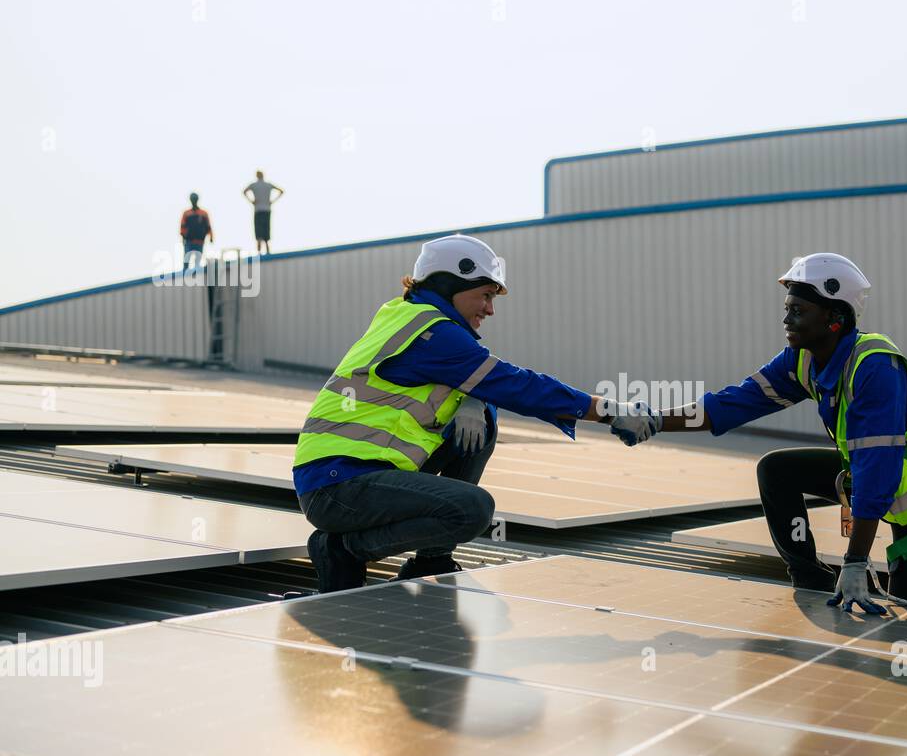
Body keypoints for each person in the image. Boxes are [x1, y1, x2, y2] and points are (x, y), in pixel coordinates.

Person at [619, 252, 907, 625]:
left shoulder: (874, 366)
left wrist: (856, 561)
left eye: (799, 311)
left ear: (835, 317)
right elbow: (731, 404)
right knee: (776, 470)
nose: (788, 319)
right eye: (787, 310)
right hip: (877, 479)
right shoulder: (802, 359)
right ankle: (809, 577)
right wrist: (658, 420)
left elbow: (878, 469)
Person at [292, 234, 654, 594]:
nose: (489, 309)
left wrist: (475, 399)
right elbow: (519, 385)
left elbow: (489, 385)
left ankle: (432, 560)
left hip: (359, 475)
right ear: (452, 284)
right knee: (472, 510)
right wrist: (609, 411)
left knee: (481, 422)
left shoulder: (410, 317)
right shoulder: (432, 334)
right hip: (338, 485)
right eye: (485, 295)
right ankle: (341, 550)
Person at [242, 170, 283, 254]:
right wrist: (272, 201)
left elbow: (244, 191)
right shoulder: (268, 185)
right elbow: (281, 191)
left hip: (258, 210)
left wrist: (251, 201)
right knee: (266, 231)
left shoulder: (254, 185)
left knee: (259, 233)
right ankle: (268, 252)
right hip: (267, 209)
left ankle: (259, 252)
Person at [179, 193, 213, 268]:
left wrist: (211, 237)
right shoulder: (186, 213)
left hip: (199, 241)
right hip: (189, 241)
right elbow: (182, 227)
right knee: (186, 261)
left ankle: (196, 276)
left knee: (197, 262)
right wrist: (183, 237)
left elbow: (208, 227)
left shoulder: (203, 213)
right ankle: (185, 275)